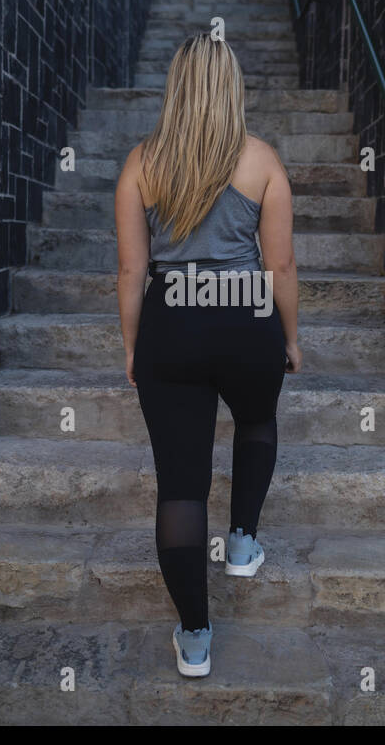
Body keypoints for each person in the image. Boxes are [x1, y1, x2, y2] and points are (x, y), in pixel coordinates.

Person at [114, 33, 302, 678]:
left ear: (177, 86)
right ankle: (243, 542)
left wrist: (136, 346)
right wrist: (291, 338)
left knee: (181, 488)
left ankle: (195, 634)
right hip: (247, 318)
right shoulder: (261, 161)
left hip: (172, 324)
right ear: (230, 87)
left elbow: (131, 270)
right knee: (255, 420)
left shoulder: (142, 163)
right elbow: (279, 264)